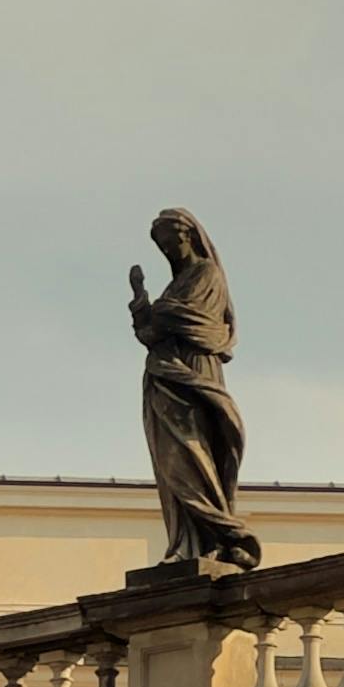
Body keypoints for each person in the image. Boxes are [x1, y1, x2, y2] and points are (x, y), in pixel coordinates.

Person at [128, 210, 262, 575]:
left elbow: (197, 323)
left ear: (189, 236)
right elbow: (152, 332)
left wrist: (160, 313)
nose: (169, 251)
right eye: (163, 247)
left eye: (172, 242)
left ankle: (221, 536)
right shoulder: (175, 285)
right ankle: (186, 544)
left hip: (194, 373)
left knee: (195, 453)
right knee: (171, 462)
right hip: (164, 377)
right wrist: (142, 305)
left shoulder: (207, 274)